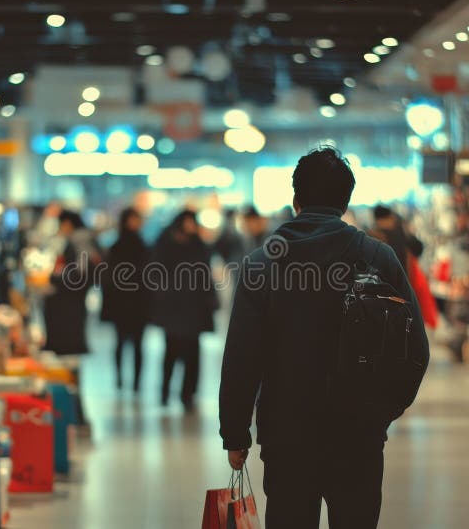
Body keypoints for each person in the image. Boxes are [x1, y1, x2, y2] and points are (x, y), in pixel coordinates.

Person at [219, 147, 429, 529]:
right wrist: (381, 414)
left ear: (295, 198)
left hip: (287, 436)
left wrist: (235, 433)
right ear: (346, 200)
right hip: (358, 433)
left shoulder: (262, 263)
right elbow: (416, 349)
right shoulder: (377, 258)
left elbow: (241, 357)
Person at [152, 210, 218, 411]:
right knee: (171, 352)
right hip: (174, 308)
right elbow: (155, 271)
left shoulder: (199, 245)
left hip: (194, 308)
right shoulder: (166, 243)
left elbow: (206, 275)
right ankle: (165, 391)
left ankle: (187, 394)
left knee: (192, 356)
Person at [44, 209, 100, 430]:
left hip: (68, 313)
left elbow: (78, 275)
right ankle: (76, 413)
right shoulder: (84, 240)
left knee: (69, 365)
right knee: (71, 365)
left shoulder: (78, 241)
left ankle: (75, 414)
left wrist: (55, 280)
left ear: (67, 222)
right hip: (72, 312)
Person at [101, 207, 150, 391]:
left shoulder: (142, 246)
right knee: (122, 342)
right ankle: (120, 378)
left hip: (136, 303)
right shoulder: (118, 247)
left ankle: (136, 381)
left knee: (136, 345)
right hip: (124, 303)